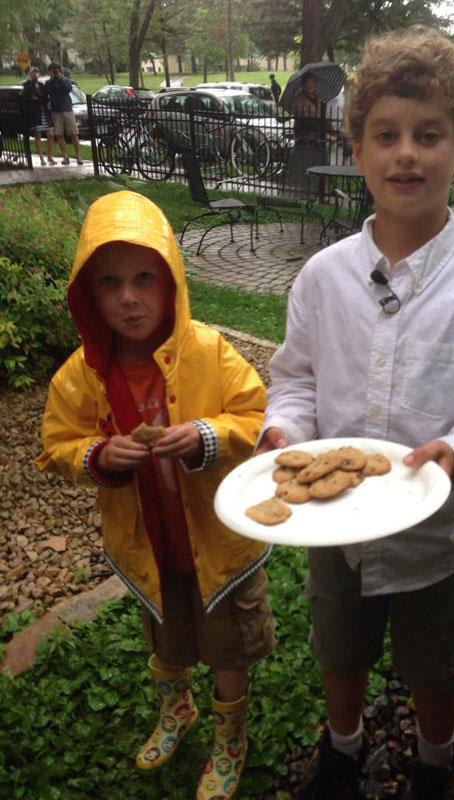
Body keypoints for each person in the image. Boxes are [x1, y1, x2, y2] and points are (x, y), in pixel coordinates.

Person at [257, 27, 454, 800]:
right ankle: (344, 750)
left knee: (435, 662)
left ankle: (433, 759)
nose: (406, 155)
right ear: (356, 149)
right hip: (340, 534)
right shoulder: (323, 279)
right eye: (385, 135)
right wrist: (285, 433)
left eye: (429, 136)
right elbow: (295, 378)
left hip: (438, 539)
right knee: (340, 648)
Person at [37, 190, 275, 800]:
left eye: (146, 278)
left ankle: (230, 738)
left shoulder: (210, 352)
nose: (128, 297)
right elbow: (59, 441)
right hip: (149, 543)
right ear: (86, 292)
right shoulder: (80, 375)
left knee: (226, 646)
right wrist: (96, 455)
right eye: (109, 282)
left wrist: (203, 436)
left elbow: (253, 415)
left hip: (219, 544)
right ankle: (177, 710)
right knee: (164, 637)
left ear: (172, 280)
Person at [44, 62, 84, 165]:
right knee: (59, 134)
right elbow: (48, 91)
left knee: (74, 134)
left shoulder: (65, 80)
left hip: (67, 110)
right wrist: (52, 79)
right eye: (52, 70)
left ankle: (78, 156)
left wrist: (60, 78)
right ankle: (65, 156)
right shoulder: (48, 83)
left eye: (56, 70)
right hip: (56, 111)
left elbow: (68, 89)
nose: (54, 72)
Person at [22, 66, 56, 165]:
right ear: (30, 74)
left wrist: (38, 99)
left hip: (44, 111)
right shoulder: (27, 84)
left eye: (37, 72)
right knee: (38, 135)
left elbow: (45, 98)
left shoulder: (42, 85)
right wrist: (33, 85)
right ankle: (41, 158)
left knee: (50, 134)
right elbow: (29, 96)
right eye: (33, 72)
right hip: (35, 113)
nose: (35, 74)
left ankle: (49, 156)